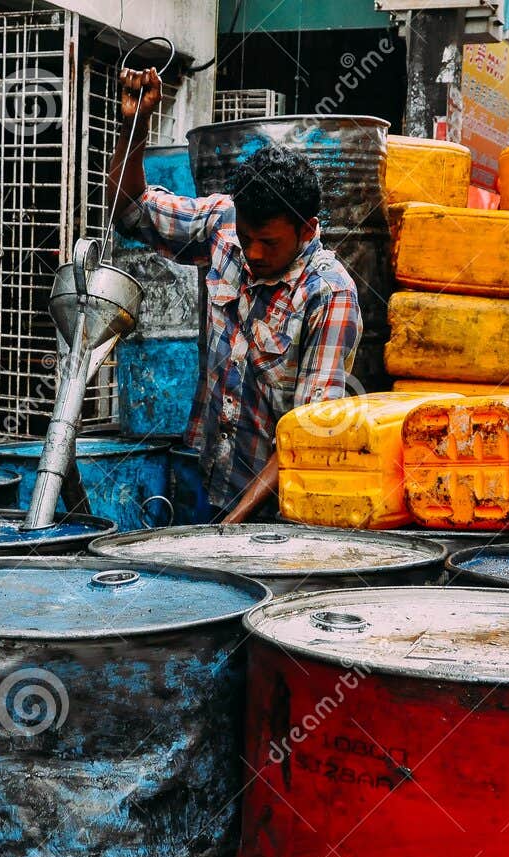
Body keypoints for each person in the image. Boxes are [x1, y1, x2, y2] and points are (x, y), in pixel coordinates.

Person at [110, 67, 360, 522]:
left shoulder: (329, 294)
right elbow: (128, 211)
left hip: (280, 514)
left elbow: (305, 438)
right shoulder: (223, 224)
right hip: (210, 481)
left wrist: (229, 529)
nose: (255, 253)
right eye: (249, 238)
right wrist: (134, 126)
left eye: (271, 242)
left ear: (306, 230)